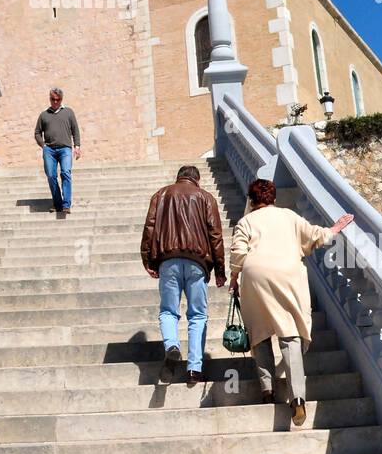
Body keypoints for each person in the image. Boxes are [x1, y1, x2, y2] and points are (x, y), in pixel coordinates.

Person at [229, 178, 353, 426]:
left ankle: (267, 391)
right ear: (273, 198)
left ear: (251, 201)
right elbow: (316, 236)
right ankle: (297, 398)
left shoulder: (246, 221)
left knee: (260, 336)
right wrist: (336, 227)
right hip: (287, 273)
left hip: (256, 274)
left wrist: (234, 277)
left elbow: (238, 253)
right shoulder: (289, 216)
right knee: (290, 334)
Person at [140, 165, 225, 386]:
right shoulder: (206, 198)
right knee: (198, 315)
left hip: (167, 260)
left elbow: (149, 228)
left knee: (168, 310)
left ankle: (172, 345)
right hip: (198, 261)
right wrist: (220, 270)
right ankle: (194, 370)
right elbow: (215, 235)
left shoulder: (161, 194)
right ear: (197, 180)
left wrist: (147, 260)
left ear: (179, 178)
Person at [34, 87, 80, 216]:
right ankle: (57, 203)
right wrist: (43, 145)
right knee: (51, 176)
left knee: (65, 172)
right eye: (53, 99)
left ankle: (66, 205)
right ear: (50, 99)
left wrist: (77, 146)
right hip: (49, 150)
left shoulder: (69, 112)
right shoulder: (44, 115)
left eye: (58, 99)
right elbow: (37, 132)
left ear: (61, 99)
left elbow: (75, 130)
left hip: (65, 148)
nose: (55, 102)